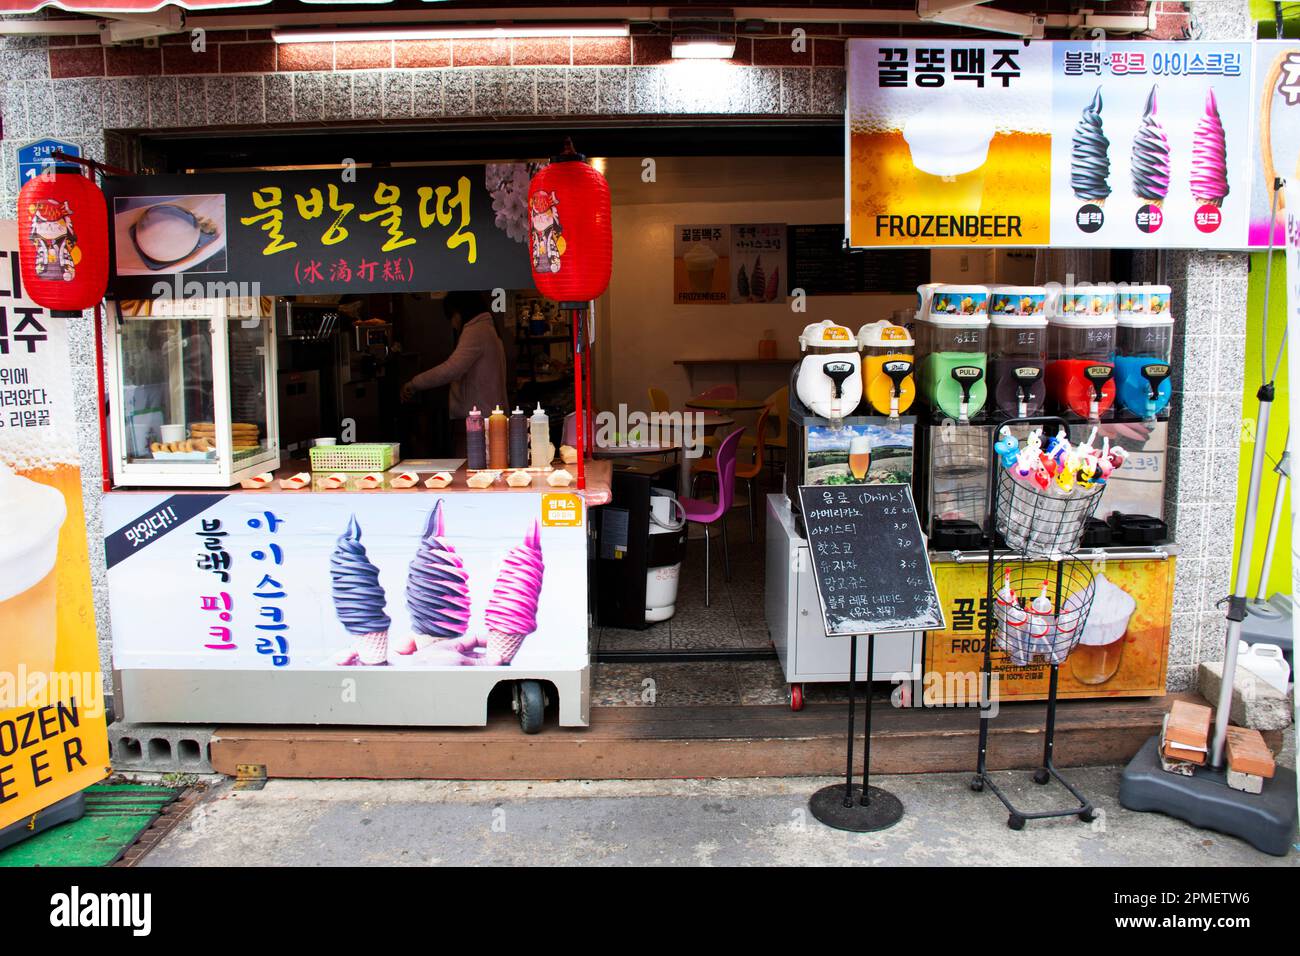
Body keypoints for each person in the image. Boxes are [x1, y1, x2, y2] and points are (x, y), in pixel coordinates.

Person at [401, 291, 507, 455]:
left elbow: (451, 369)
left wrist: (414, 383)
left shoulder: (476, 331)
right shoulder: (488, 329)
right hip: (489, 418)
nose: (453, 323)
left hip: (477, 421)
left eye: (452, 316)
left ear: (461, 311)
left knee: (471, 472)